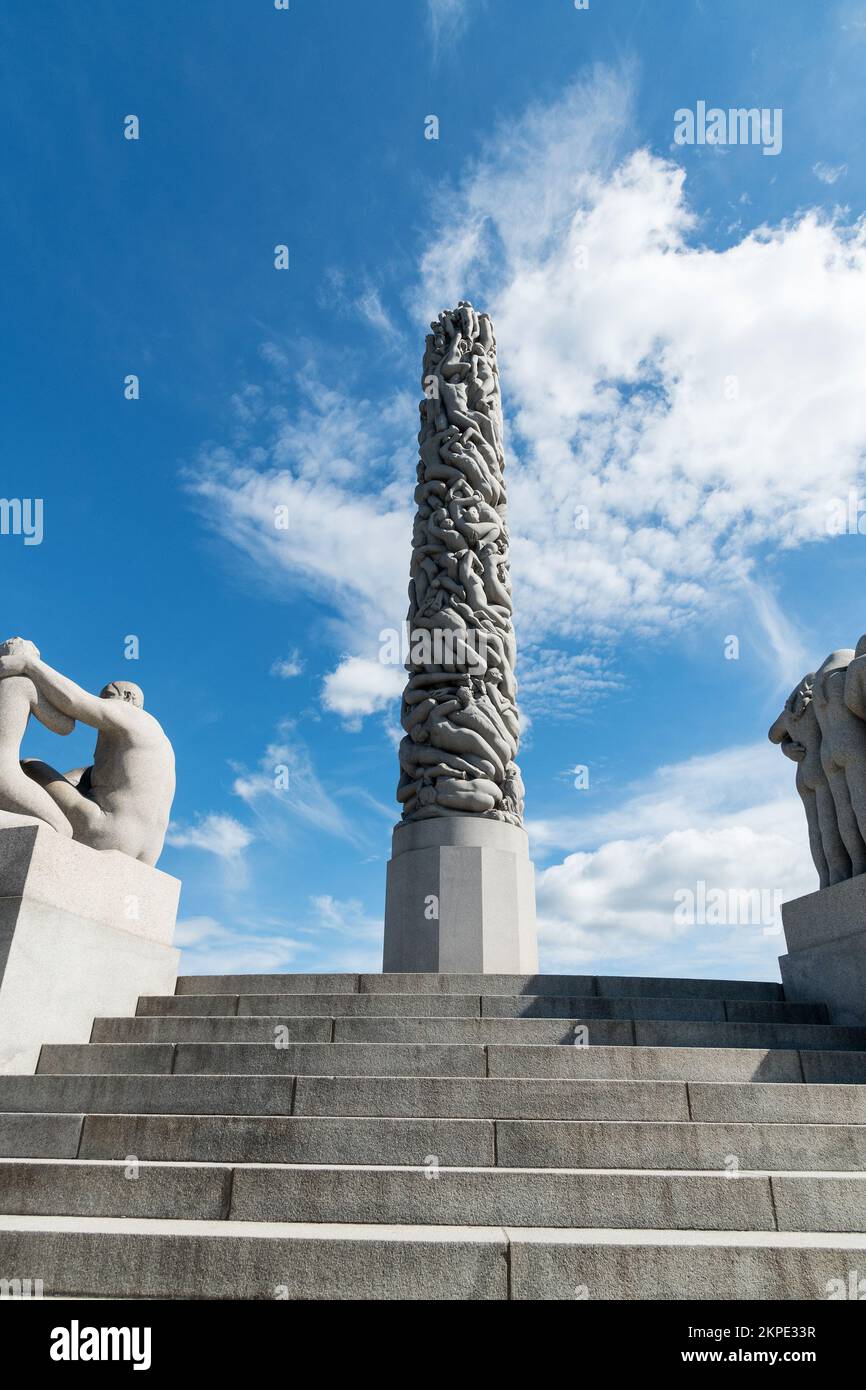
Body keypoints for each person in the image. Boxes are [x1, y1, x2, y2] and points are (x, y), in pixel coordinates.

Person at [0, 637, 175, 866]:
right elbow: (87, 774)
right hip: (146, 855)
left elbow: (74, 701)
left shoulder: (133, 715)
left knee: (32, 765)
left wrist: (28, 664)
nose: (103, 701)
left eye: (108, 695)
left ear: (128, 698)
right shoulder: (159, 746)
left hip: (104, 831)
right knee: (81, 781)